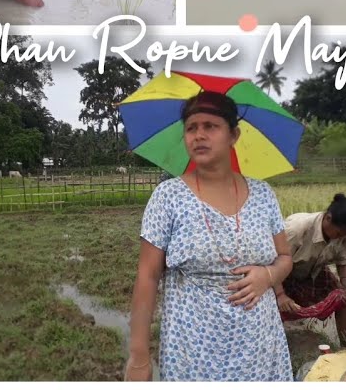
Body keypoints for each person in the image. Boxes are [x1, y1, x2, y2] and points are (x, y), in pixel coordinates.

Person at [126, 91, 294, 381]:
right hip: (192, 351)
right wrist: (139, 355)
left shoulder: (264, 195)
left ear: (234, 135)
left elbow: (285, 257)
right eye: (191, 128)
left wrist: (268, 276)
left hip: (260, 348)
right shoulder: (168, 197)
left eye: (210, 126)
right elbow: (147, 276)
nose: (199, 135)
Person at [276, 193, 346, 348]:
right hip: (281, 272)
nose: (341, 238)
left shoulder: (343, 234)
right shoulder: (296, 229)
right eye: (339, 233)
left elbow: (343, 263)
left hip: (312, 271)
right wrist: (281, 295)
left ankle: (345, 348)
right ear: (328, 218)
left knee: (345, 299)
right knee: (275, 307)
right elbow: (274, 263)